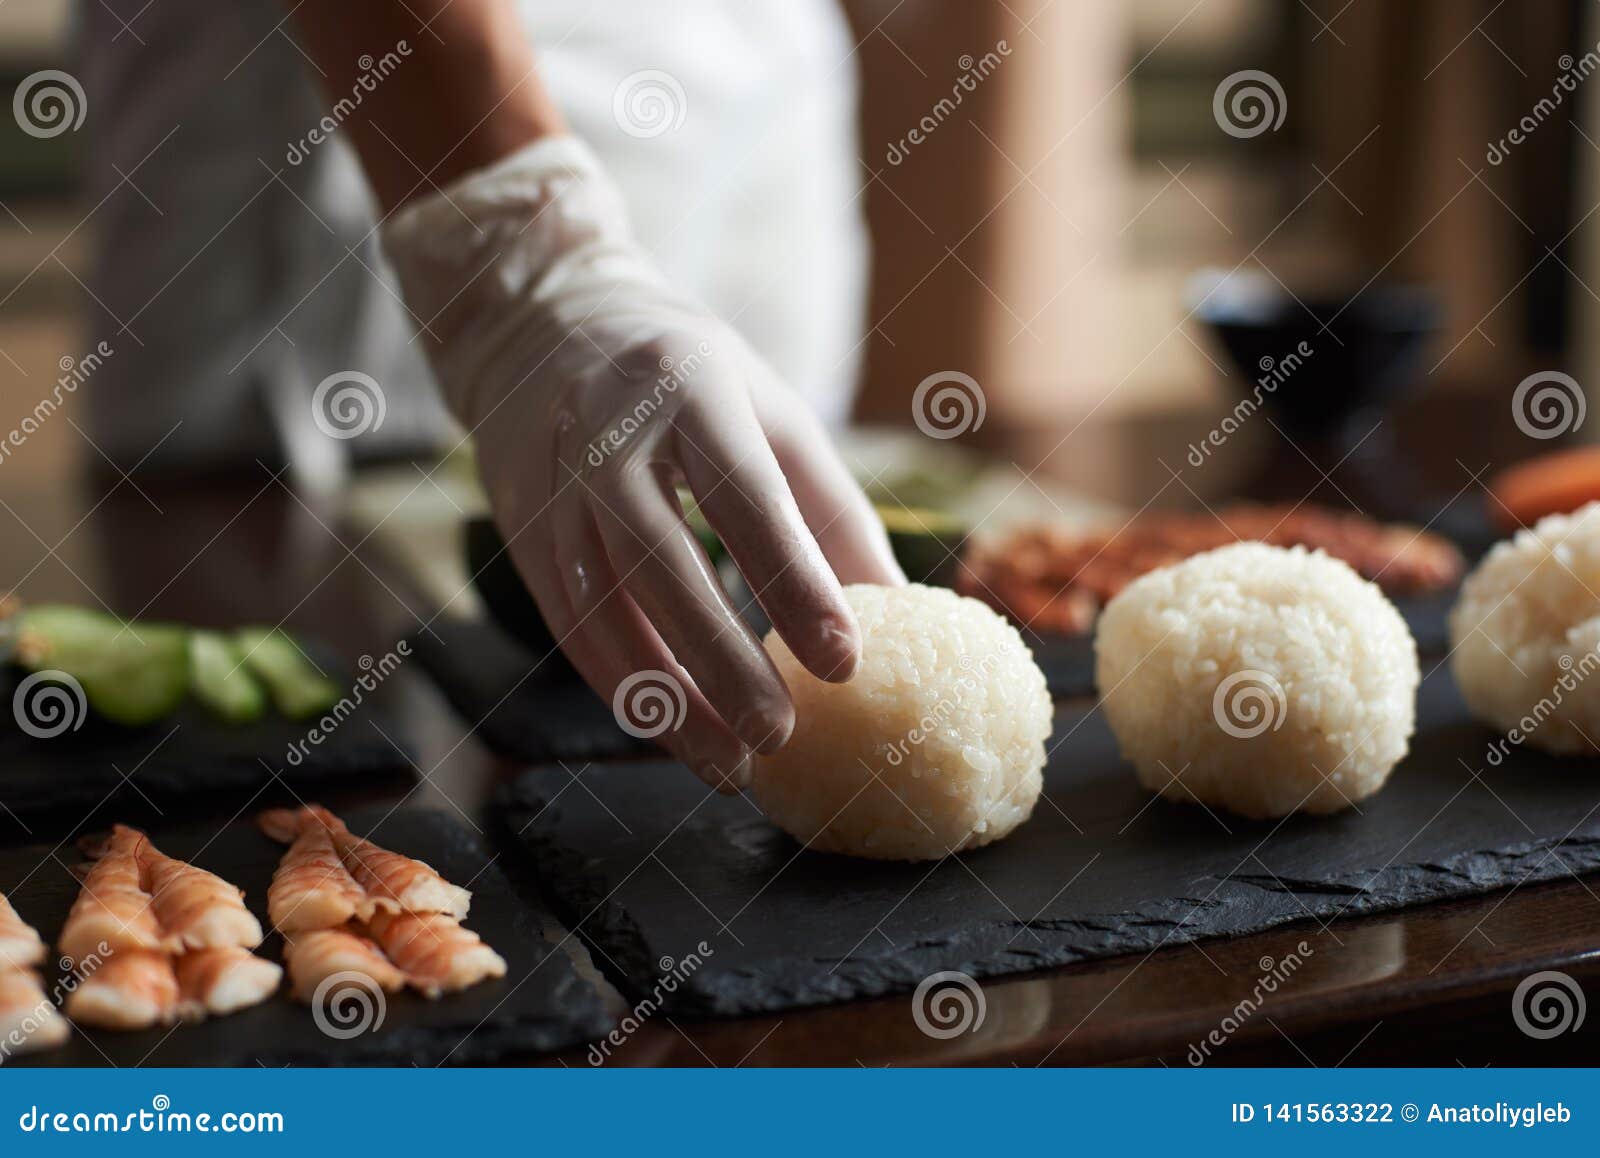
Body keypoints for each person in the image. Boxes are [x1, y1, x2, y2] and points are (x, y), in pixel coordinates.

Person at [79, 1, 905, 789]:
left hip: (759, 66)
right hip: (391, 82)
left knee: (746, 505)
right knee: (324, 706)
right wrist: (525, 253)